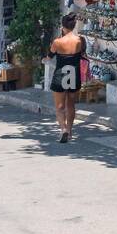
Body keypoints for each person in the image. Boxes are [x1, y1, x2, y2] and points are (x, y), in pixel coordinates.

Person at [45, 15, 87, 143]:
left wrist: (44, 59)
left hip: (61, 74)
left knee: (59, 106)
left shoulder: (57, 42)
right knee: (71, 105)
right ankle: (69, 131)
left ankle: (63, 129)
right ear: (74, 26)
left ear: (62, 26)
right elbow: (83, 55)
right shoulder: (80, 40)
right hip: (74, 74)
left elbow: (49, 57)